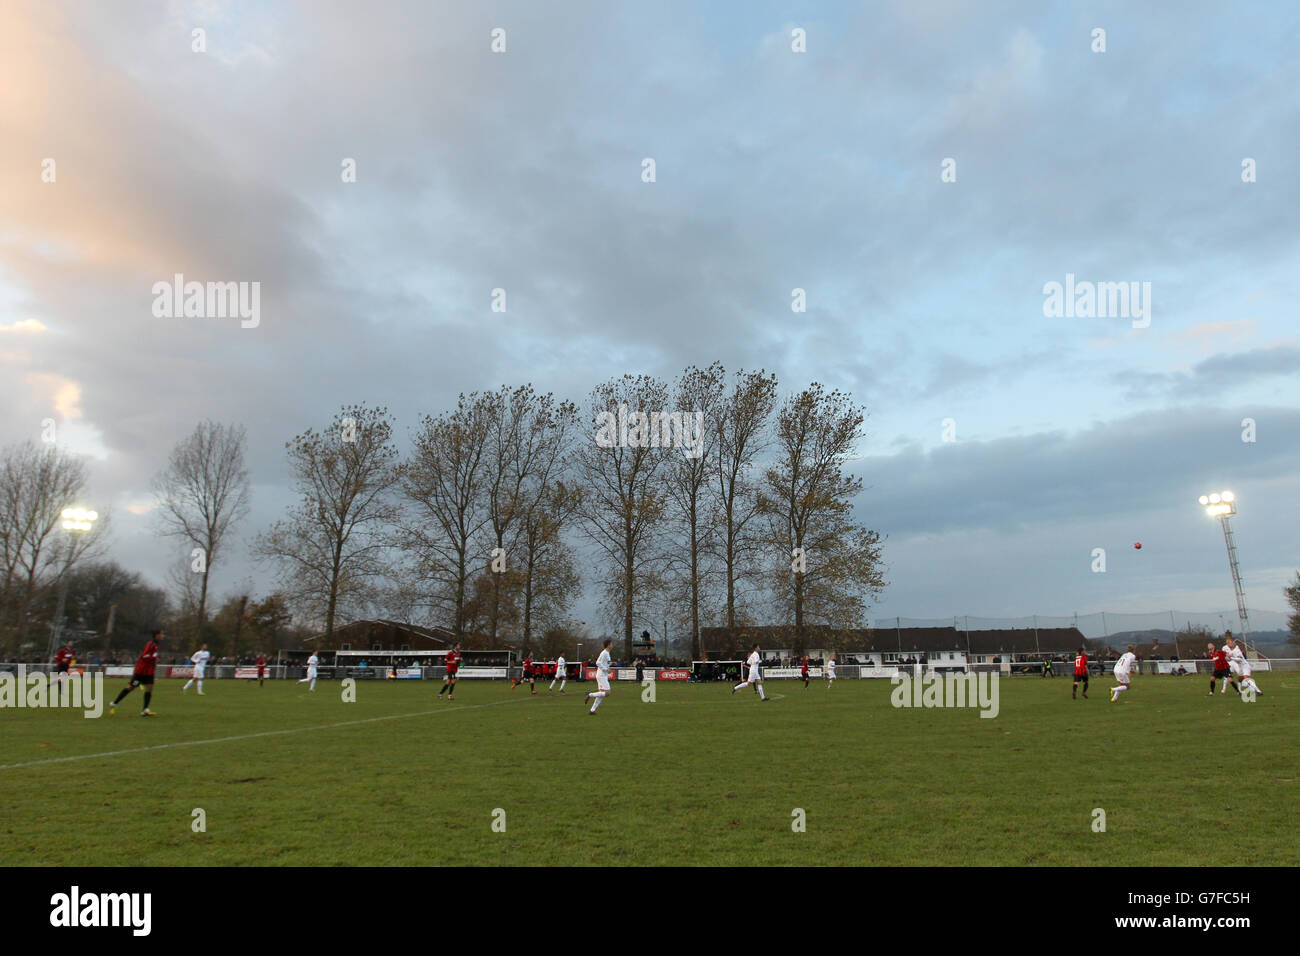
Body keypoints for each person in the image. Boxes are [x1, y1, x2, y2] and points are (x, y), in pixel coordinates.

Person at [108, 629, 163, 717]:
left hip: (149, 672)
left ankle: (145, 710)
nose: (162, 636)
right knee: (131, 687)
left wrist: (155, 659)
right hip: (141, 672)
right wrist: (154, 657)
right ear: (156, 635)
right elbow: (145, 655)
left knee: (149, 688)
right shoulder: (151, 644)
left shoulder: (156, 645)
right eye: (161, 634)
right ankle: (114, 703)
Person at [585, 639, 614, 715]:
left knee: (601, 694)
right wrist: (606, 670)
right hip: (601, 675)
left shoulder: (607, 653)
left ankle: (592, 710)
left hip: (602, 675)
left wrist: (611, 664)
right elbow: (598, 662)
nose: (612, 645)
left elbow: (605, 663)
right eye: (611, 644)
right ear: (608, 645)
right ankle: (590, 695)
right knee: (607, 693)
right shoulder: (604, 653)